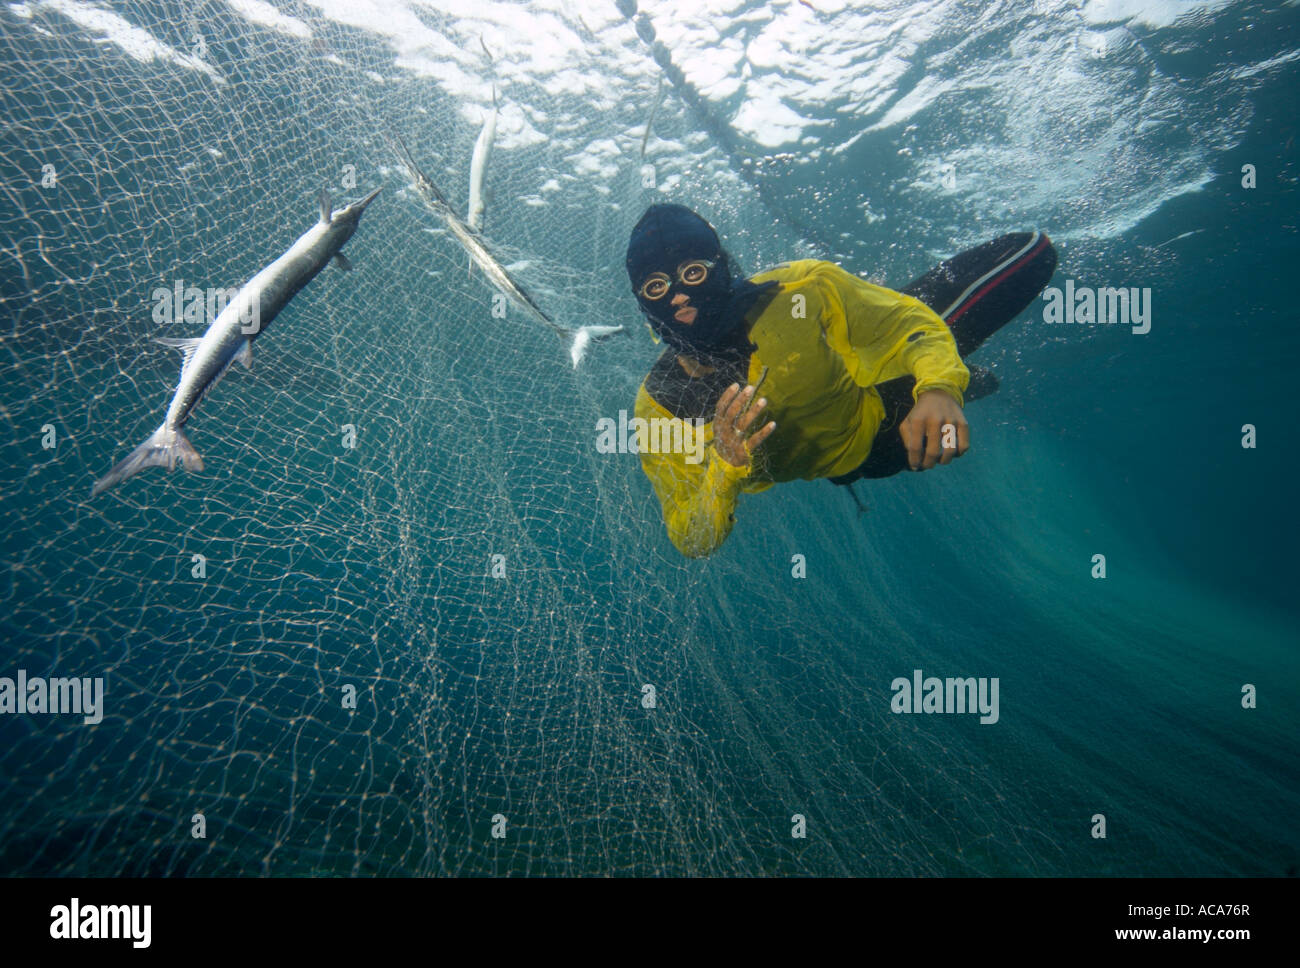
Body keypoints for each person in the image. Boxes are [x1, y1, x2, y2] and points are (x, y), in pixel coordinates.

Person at [627, 203, 1057, 558]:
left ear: (721, 268)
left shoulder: (799, 288)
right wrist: (724, 469)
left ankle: (950, 376)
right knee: (947, 356)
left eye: (693, 273)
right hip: (873, 461)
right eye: (655, 286)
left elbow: (908, 320)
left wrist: (939, 389)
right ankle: (969, 379)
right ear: (643, 303)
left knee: (1033, 252)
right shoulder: (661, 405)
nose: (678, 295)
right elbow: (690, 538)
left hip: (885, 400)